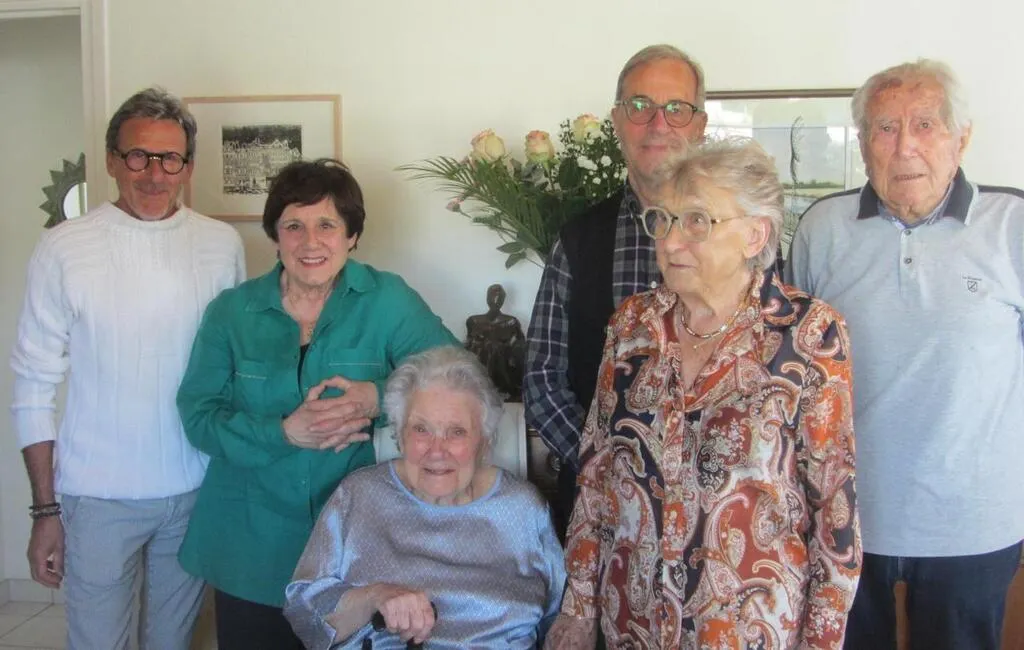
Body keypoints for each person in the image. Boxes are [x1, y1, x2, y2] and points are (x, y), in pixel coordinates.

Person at [545, 138, 861, 649]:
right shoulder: (632, 327)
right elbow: (597, 476)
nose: (670, 242)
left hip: (746, 628)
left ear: (755, 235)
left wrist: (821, 642)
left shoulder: (808, 336)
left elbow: (834, 510)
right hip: (635, 622)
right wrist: (579, 610)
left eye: (697, 221)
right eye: (663, 220)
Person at [787, 59, 1024, 650]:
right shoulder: (823, 228)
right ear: (864, 144)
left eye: (926, 124)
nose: (904, 146)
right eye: (885, 128)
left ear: (961, 136)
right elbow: (792, 372)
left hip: (974, 525)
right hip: (844, 518)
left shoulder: (1013, 224)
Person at [175, 158, 458, 649]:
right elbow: (198, 416)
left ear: (351, 235)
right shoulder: (231, 312)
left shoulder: (387, 299)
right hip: (249, 543)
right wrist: (283, 432)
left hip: (354, 543)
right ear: (275, 235)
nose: (311, 242)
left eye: (327, 224)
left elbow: (455, 377)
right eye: (294, 226)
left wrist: (378, 397)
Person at [9, 87, 245, 649]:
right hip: (97, 497)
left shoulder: (221, 245)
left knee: (174, 642)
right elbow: (32, 386)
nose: (154, 174)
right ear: (113, 159)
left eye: (170, 159)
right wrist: (46, 510)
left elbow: (237, 369)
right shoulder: (65, 248)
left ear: (188, 166)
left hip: (195, 489)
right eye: (138, 155)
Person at [524, 44, 709, 537]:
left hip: (713, 518)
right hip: (601, 514)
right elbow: (542, 376)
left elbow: (768, 375)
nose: (658, 123)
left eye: (676, 108)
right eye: (640, 106)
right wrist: (605, 465)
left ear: (700, 124)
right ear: (616, 120)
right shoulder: (578, 240)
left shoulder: (741, 235)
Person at [284, 346, 565, 649]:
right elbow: (304, 611)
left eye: (456, 432)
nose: (436, 450)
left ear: (484, 441)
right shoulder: (359, 495)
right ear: (400, 434)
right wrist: (374, 597)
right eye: (421, 429)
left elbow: (560, 619)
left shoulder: (523, 508)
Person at [465, 283, 526, 400]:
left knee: (495, 348)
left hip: (503, 357)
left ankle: (500, 388)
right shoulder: (474, 321)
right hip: (481, 354)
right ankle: (481, 387)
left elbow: (520, 343)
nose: (496, 299)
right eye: (492, 295)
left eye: (499, 296)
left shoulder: (511, 321)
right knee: (487, 347)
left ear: (503, 300)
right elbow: (469, 341)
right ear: (487, 298)